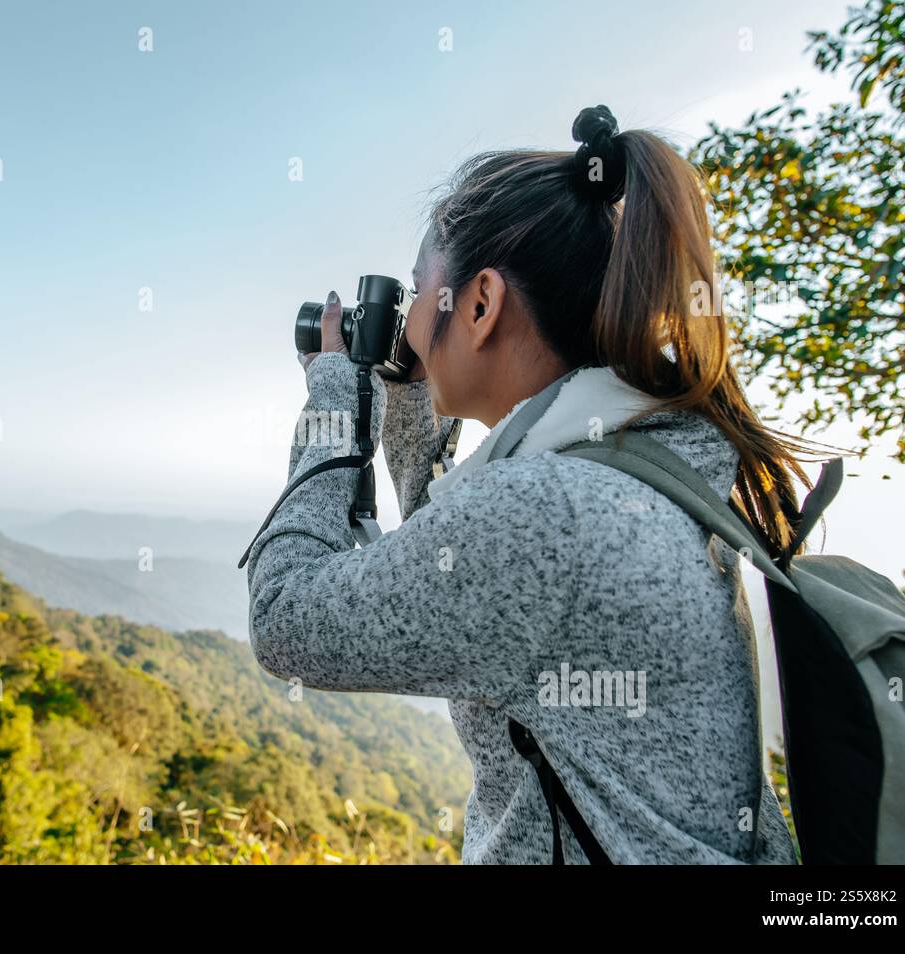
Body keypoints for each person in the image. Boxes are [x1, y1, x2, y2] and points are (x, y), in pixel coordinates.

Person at [246, 105, 808, 864]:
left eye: (420, 292)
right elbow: (456, 573)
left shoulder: (549, 515)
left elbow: (286, 619)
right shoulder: (641, 463)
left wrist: (332, 398)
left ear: (479, 304)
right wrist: (409, 397)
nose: (412, 321)